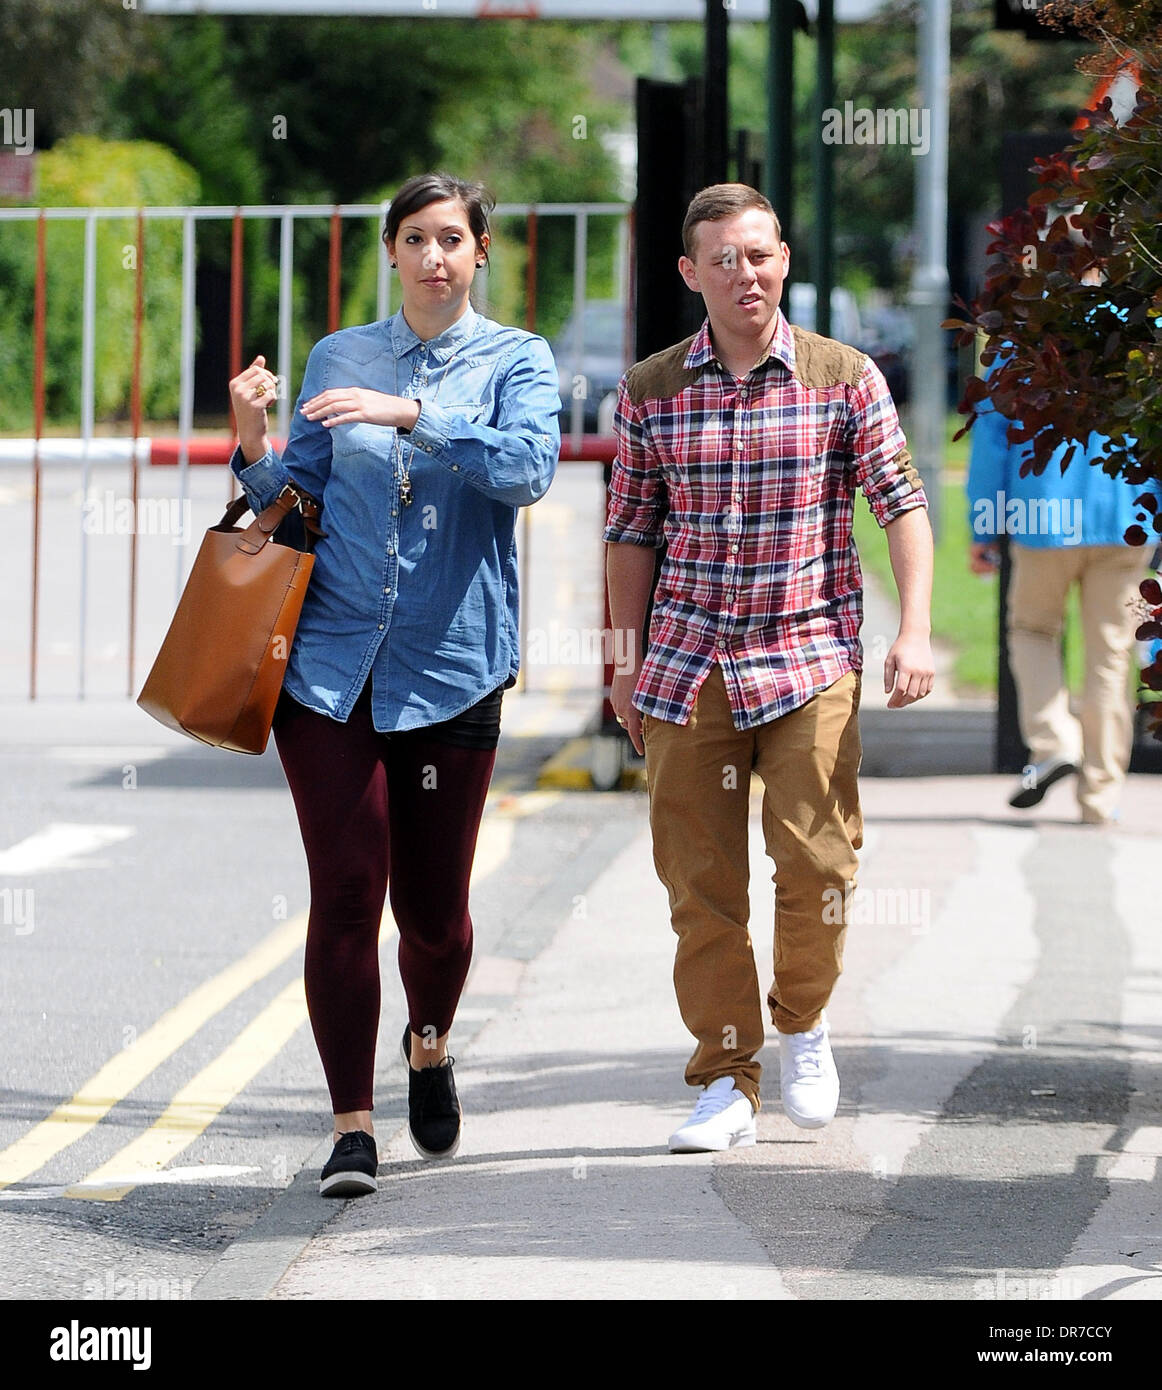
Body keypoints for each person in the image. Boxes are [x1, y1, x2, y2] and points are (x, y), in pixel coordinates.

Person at [227, 172, 560, 1197]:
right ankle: (351, 1127)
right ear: (392, 251)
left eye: (452, 238)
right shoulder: (340, 355)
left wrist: (413, 413)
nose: (433, 257)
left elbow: (528, 470)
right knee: (343, 891)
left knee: (433, 914)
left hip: (453, 664)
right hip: (327, 669)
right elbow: (303, 498)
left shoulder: (517, 359)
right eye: (415, 238)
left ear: (480, 252)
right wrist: (252, 442)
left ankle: (428, 1037)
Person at [605, 183, 933, 1152]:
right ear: (689, 272)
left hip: (809, 658)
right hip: (685, 667)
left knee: (817, 858)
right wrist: (621, 664)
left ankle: (803, 1021)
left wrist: (913, 630)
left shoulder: (844, 376)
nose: (743, 274)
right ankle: (724, 1079)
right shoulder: (651, 388)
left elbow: (900, 503)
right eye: (722, 258)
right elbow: (630, 533)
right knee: (700, 886)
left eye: (758, 254)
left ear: (782, 259)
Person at [967, 391, 1155, 824]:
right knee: (1111, 655)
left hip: (1042, 511)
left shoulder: (1019, 338)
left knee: (1033, 631)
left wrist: (984, 526)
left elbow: (992, 439)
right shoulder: (1146, 330)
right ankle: (1100, 797)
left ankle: (1055, 743)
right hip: (1126, 515)